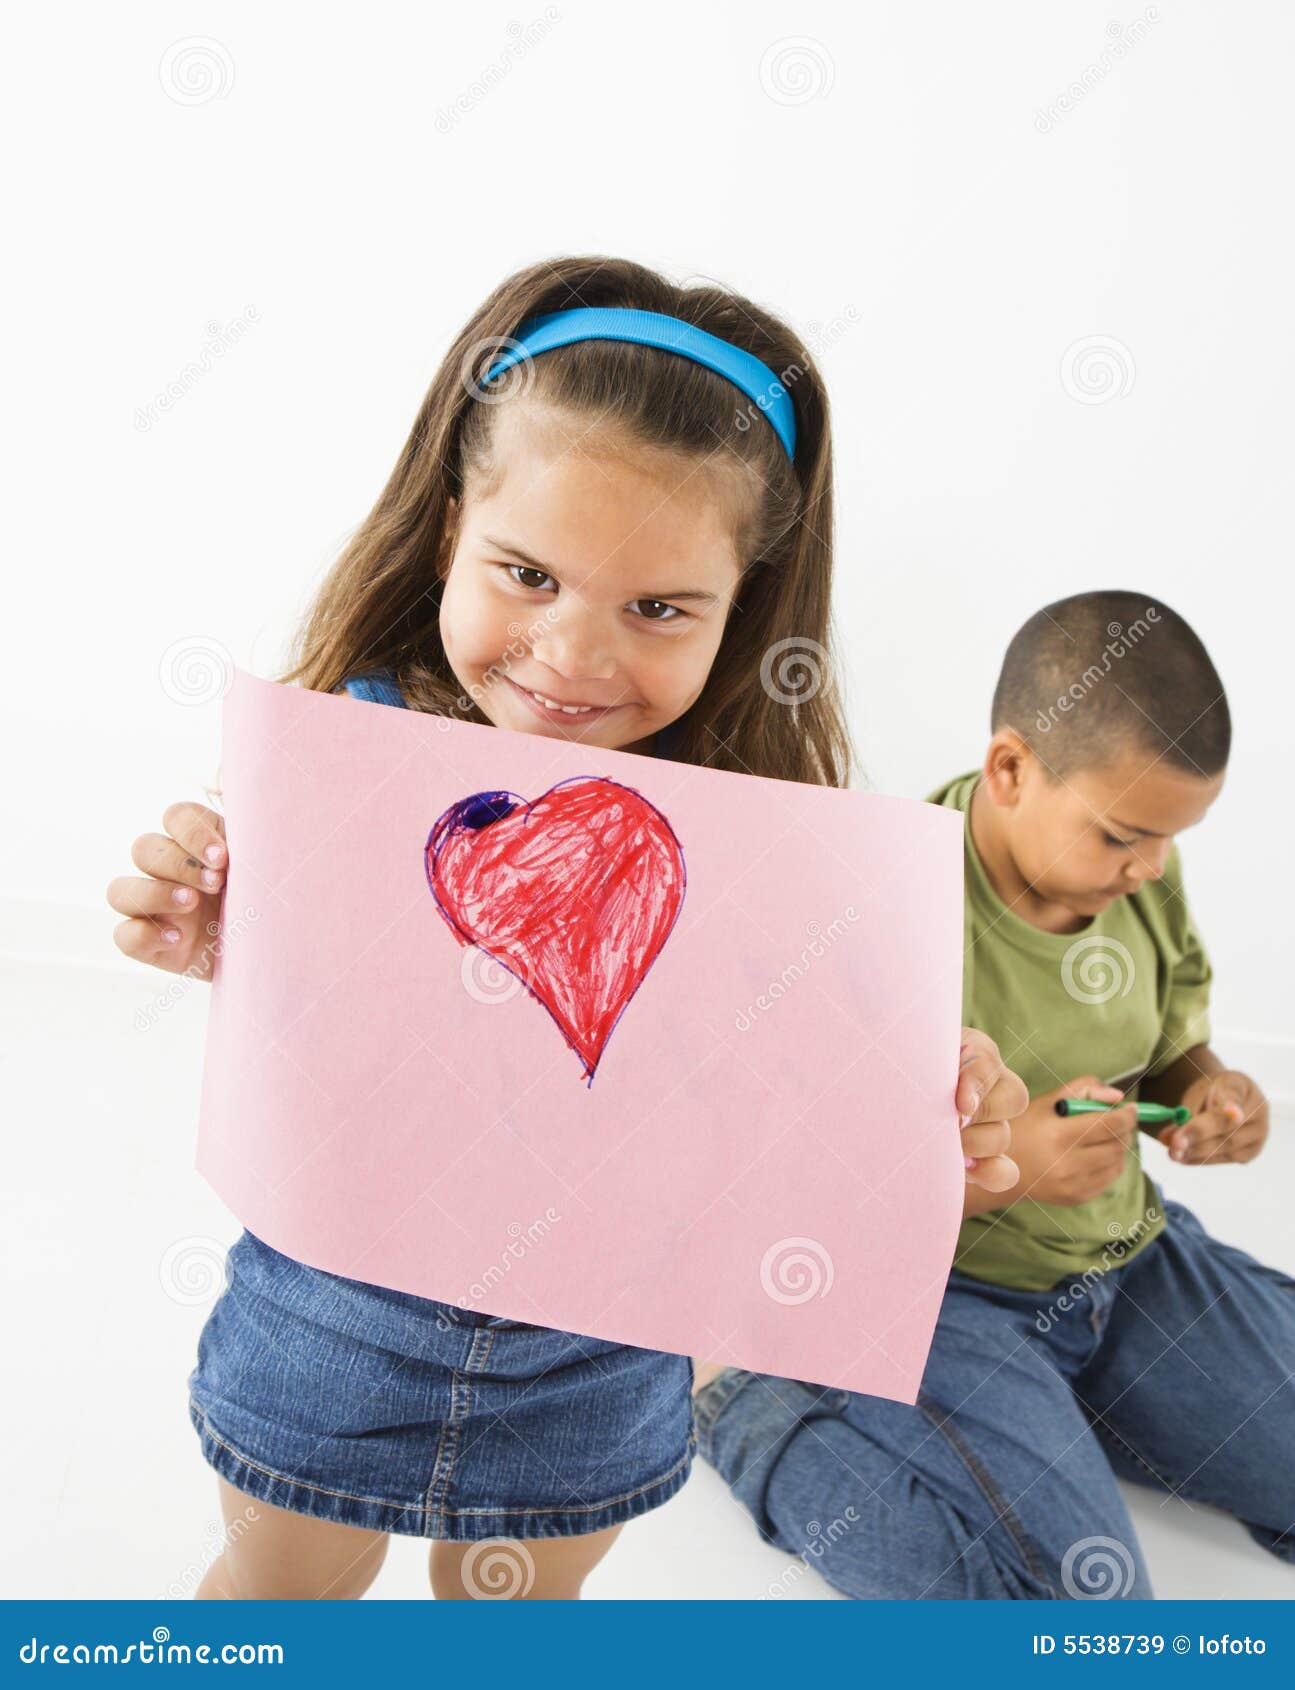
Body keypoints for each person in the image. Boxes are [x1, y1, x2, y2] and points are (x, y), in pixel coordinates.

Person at [106, 254, 1019, 1599]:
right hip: (330, 1316)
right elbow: (304, 1005)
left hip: (597, 1354)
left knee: (515, 1622)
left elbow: (808, 1080)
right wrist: (208, 934)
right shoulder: (345, 748)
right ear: (444, 537)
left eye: (656, 607)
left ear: (739, 609)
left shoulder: (766, 836)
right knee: (275, 1598)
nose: (574, 654)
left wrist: (933, 1113)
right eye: (525, 573)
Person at [696, 591, 1294, 1599]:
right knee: (1070, 1617)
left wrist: (1208, 1093)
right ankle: (747, 1403)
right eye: (1119, 837)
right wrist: (1001, 1163)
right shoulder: (877, 904)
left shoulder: (1140, 870)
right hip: (933, 1297)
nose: (1147, 866)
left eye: (1164, 839)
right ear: (1010, 769)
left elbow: (1167, 1039)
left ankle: (1086, 1407)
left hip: (1121, 1258)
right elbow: (803, 1192)